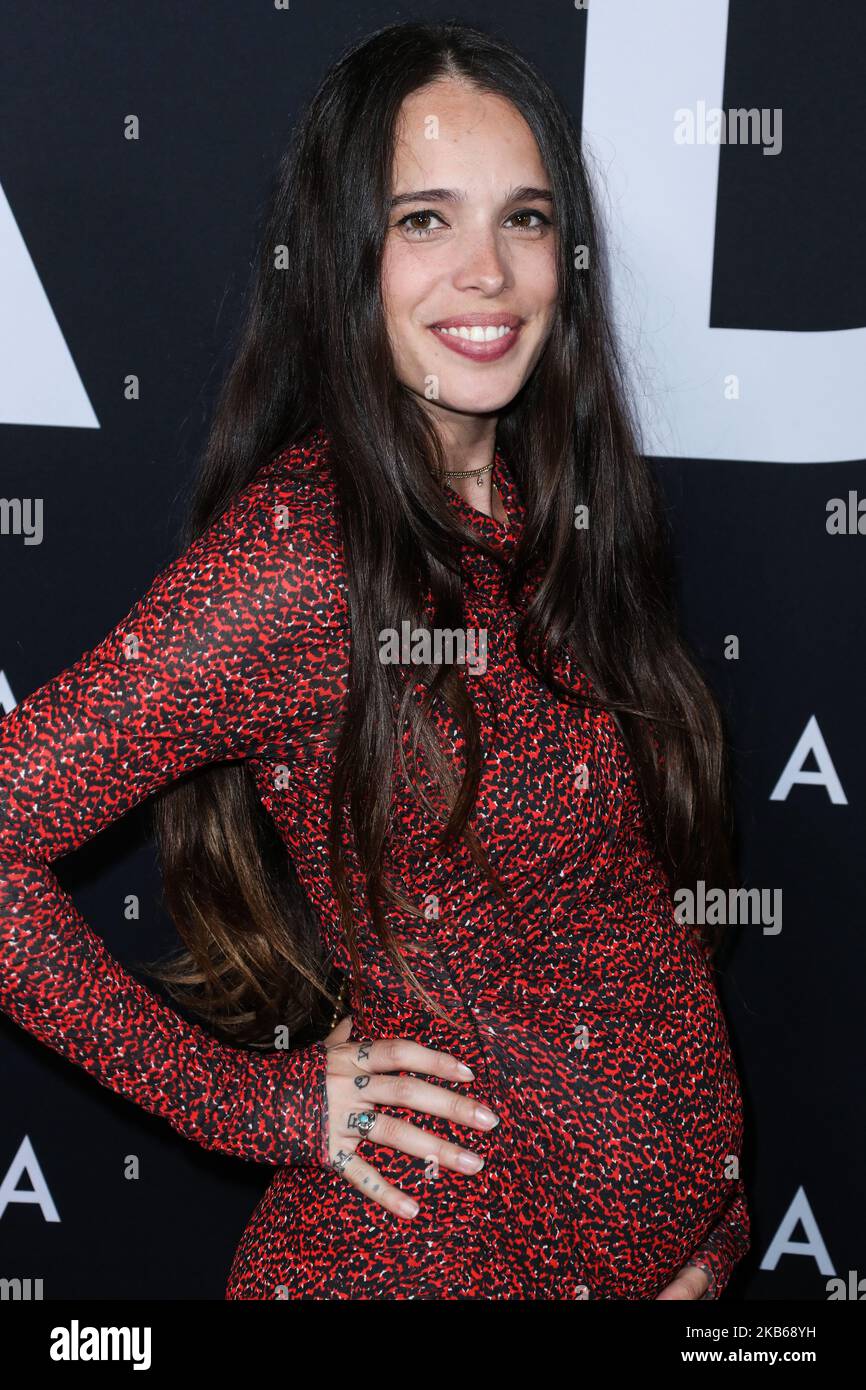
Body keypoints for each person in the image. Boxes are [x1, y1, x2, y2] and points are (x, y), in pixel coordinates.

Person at [0, 20, 750, 1300]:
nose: (489, 274)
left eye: (523, 219)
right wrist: (256, 1108)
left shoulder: (552, 507)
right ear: (340, 257)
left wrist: (705, 1234)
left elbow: (625, 935)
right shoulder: (299, 558)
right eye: (422, 221)